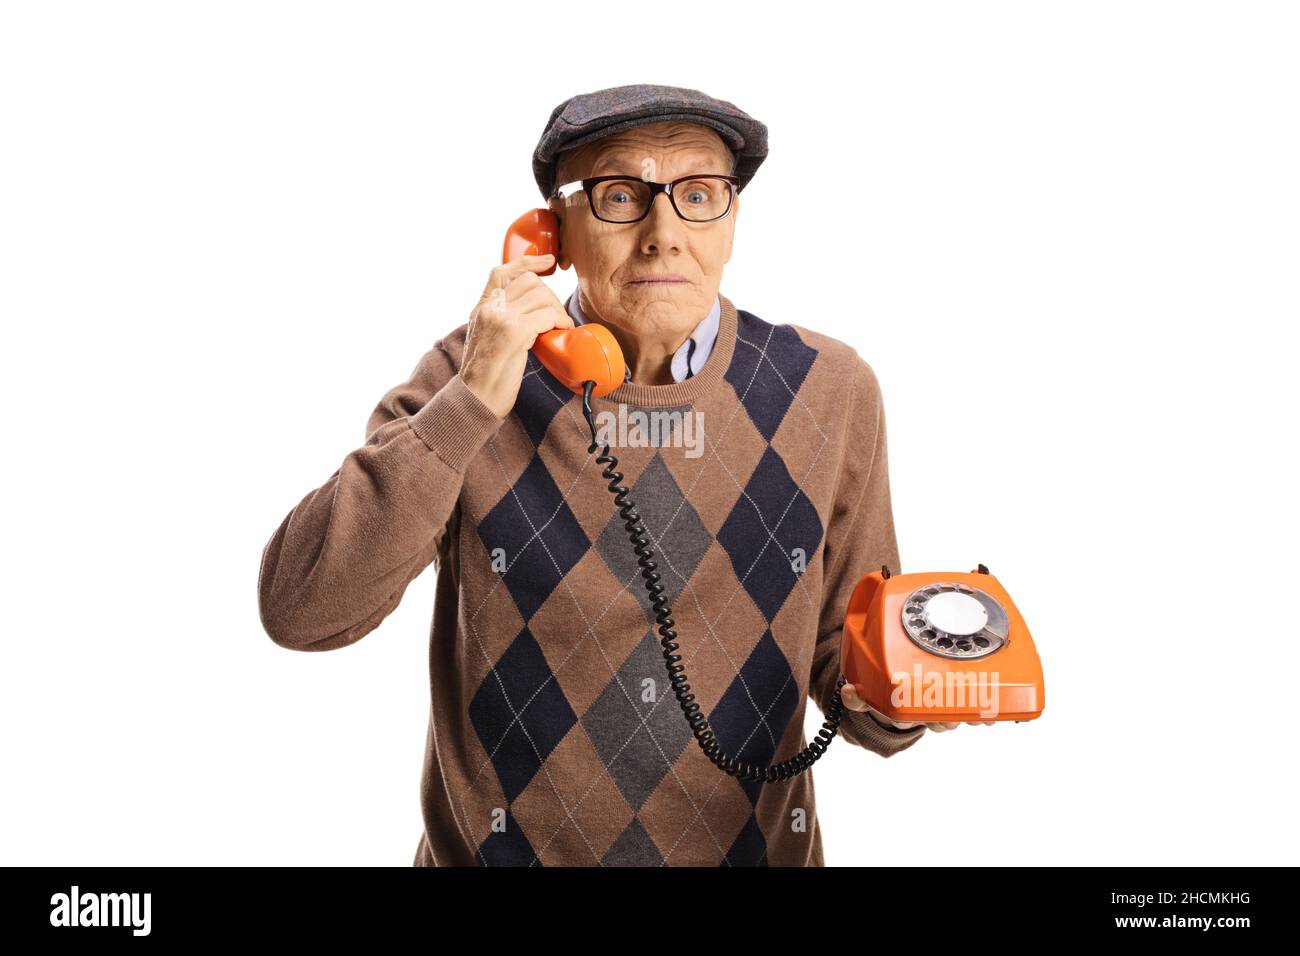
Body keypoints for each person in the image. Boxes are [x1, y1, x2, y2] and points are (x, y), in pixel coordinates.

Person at [258, 83, 973, 867]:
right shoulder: (469, 376)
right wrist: (474, 400)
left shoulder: (829, 389)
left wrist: (906, 693)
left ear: (732, 222)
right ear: (553, 231)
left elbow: (854, 676)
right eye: (620, 195)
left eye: (699, 194)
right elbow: (302, 609)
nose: (664, 234)